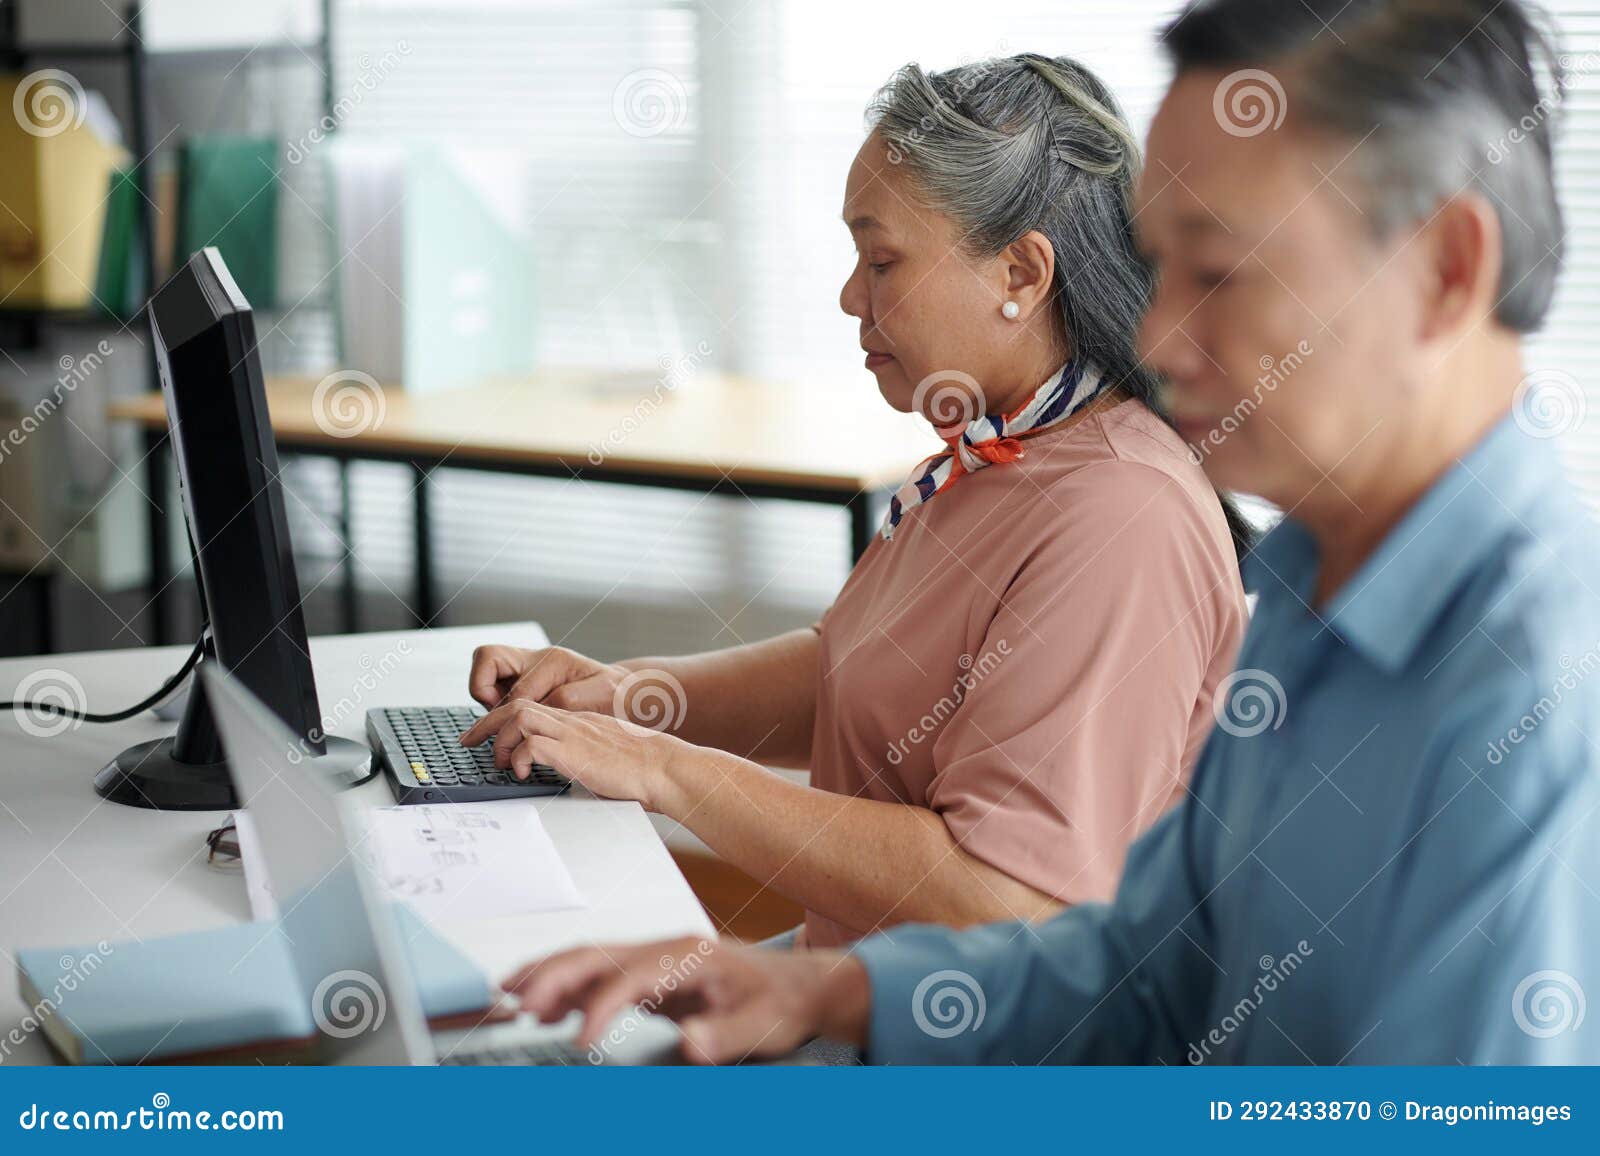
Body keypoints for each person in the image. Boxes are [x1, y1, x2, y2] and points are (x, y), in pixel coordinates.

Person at [500, 0, 1600, 1065]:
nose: (1160, 332)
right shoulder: (1318, 583)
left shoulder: (1535, 691)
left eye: (1217, 272)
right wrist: (825, 986)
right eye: (1161, 267)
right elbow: (1148, 967)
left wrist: (670, 771)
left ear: (1447, 269)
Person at [461, 55, 1249, 946]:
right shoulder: (993, 455)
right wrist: (627, 699)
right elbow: (851, 673)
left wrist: (664, 771)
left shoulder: (1118, 518)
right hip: (859, 994)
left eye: (882, 260)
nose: (848, 297)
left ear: (1021, 277)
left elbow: (1005, 897)